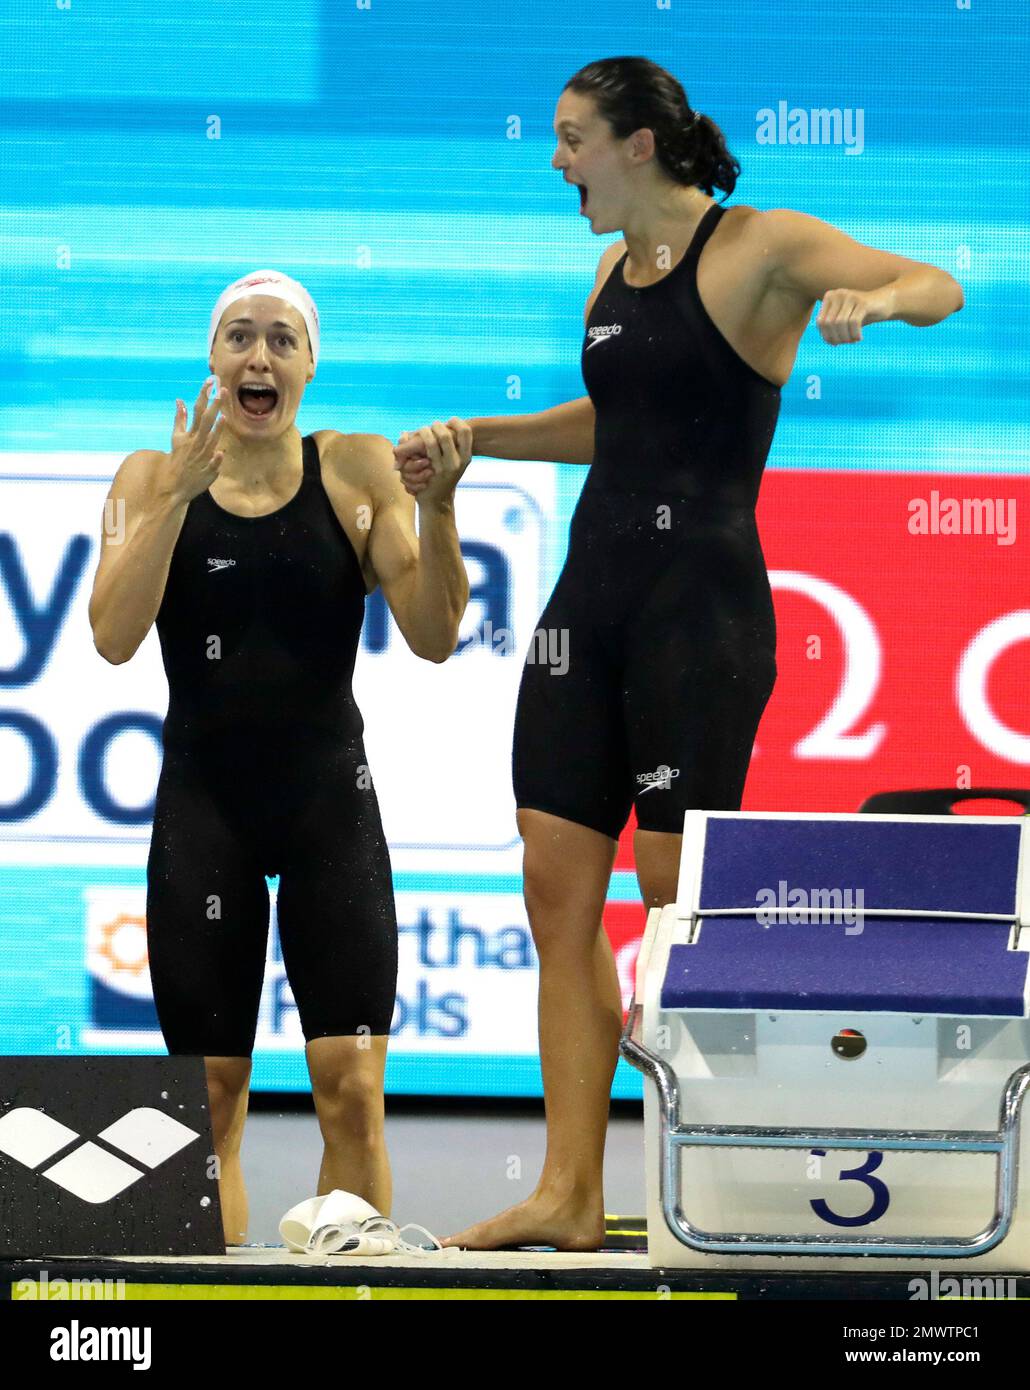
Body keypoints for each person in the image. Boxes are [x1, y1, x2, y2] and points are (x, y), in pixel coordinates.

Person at [395, 56, 965, 1250]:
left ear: (637, 143)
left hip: (695, 614)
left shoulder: (760, 246)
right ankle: (563, 1194)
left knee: (667, 900)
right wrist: (482, 438)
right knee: (555, 888)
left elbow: (939, 281)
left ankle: (713, 1184)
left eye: (570, 139)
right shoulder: (609, 269)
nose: (555, 161)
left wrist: (877, 303)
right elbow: (619, 419)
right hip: (586, 603)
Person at [88, 270, 470, 1246]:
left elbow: (431, 633)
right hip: (203, 807)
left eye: (281, 341)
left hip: (326, 809)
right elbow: (111, 634)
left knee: (350, 1088)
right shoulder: (145, 476)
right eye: (239, 339)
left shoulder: (352, 469)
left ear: (308, 365)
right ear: (212, 359)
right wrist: (174, 498)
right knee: (212, 1094)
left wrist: (443, 511)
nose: (258, 358)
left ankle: (354, 1289)